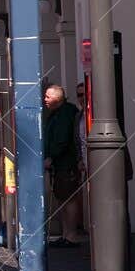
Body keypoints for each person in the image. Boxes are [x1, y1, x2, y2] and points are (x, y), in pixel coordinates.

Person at [44, 84, 87, 246]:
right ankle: (65, 234)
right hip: (61, 163)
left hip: (66, 164)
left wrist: (51, 157)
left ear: (58, 98)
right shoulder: (57, 113)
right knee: (62, 198)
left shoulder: (66, 113)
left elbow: (62, 140)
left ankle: (71, 235)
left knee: (68, 198)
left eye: (48, 96)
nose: (45, 99)